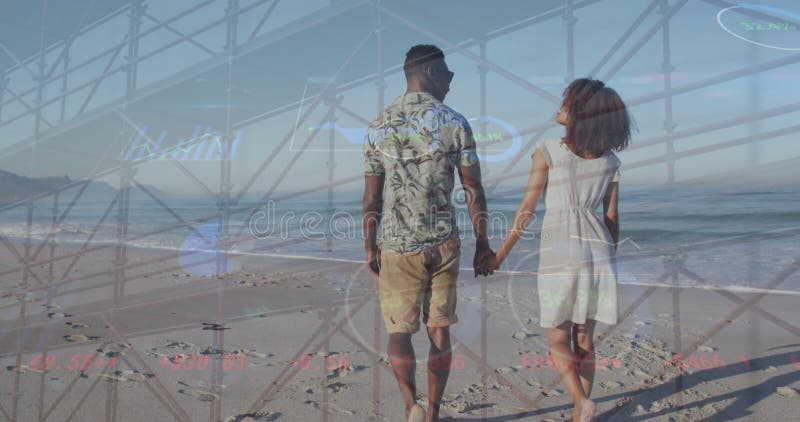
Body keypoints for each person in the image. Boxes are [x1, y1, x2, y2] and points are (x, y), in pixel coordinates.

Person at [485, 78, 631, 422]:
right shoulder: (611, 162)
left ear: (580, 113)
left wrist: (499, 256)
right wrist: (611, 259)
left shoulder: (549, 149)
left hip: (560, 251)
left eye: (567, 102)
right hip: (599, 251)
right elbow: (611, 218)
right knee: (585, 340)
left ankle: (582, 403)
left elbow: (527, 210)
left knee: (557, 337)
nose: (561, 106)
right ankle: (582, 411)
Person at [362, 44, 494, 422]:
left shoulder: (378, 125)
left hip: (398, 245)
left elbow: (373, 197)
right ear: (430, 71)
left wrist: (369, 246)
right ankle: (433, 412)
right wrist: (483, 242)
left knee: (399, 332)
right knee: (439, 331)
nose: (451, 80)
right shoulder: (455, 121)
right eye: (447, 73)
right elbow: (473, 189)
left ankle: (411, 406)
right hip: (443, 244)